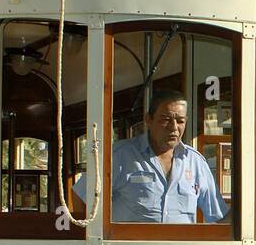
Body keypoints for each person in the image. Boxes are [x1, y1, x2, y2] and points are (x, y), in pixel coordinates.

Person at [75, 90, 227, 224]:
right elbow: (81, 196)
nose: (174, 127)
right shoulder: (119, 155)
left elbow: (218, 215)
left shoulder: (195, 162)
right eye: (165, 119)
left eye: (180, 121)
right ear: (148, 120)